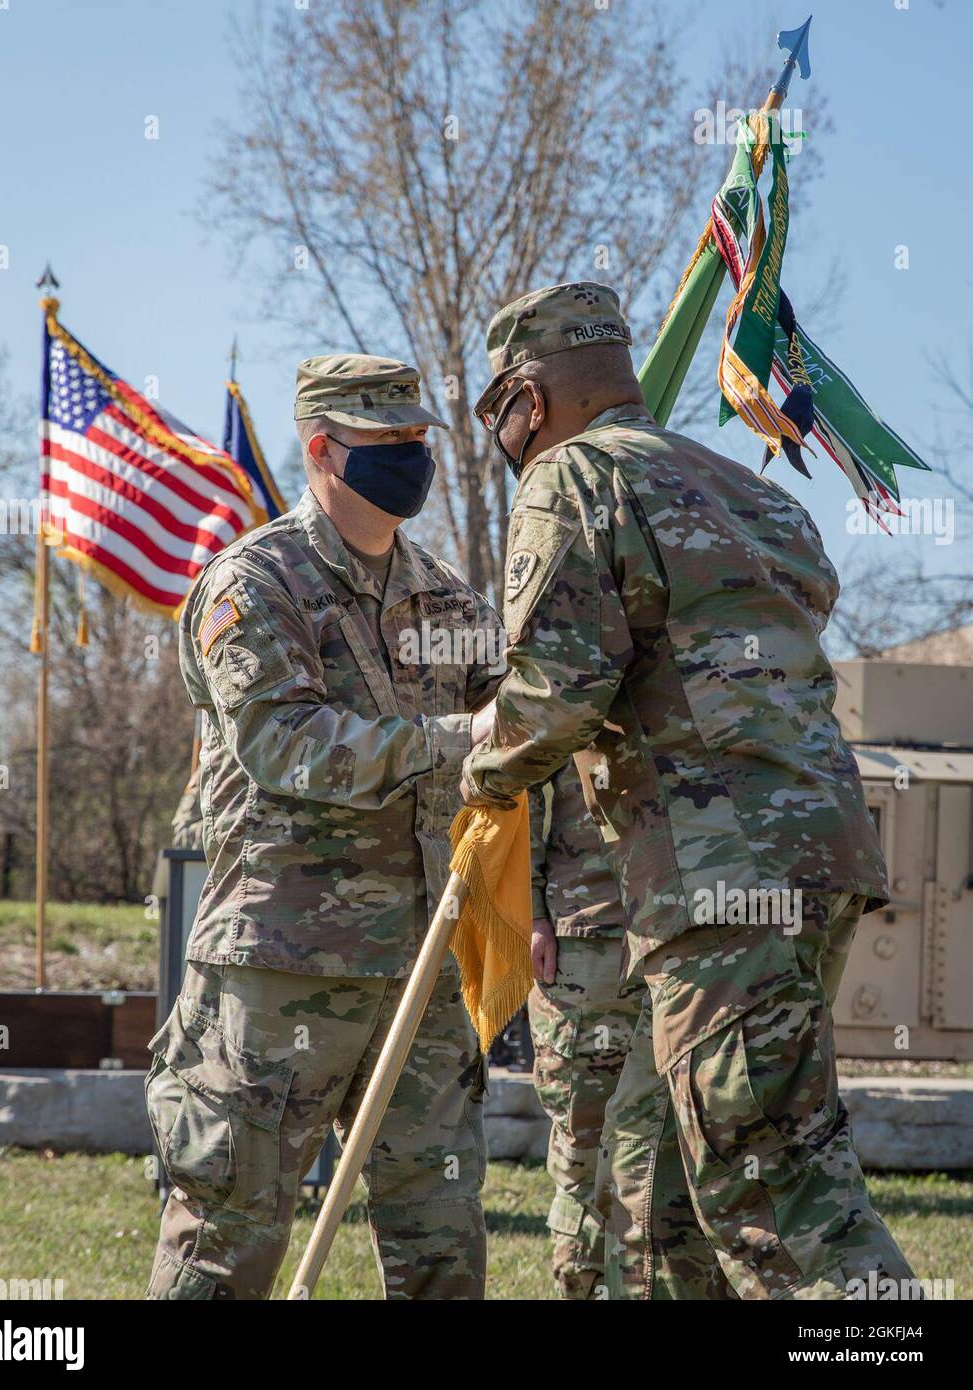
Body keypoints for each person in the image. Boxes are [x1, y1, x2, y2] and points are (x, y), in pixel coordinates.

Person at [461, 282, 916, 1300]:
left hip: (716, 883)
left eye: (501, 411)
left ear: (529, 398)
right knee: (668, 1197)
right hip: (815, 857)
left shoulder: (570, 479)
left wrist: (477, 759)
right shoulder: (745, 488)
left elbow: (554, 697)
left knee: (777, 1198)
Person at [146, 355, 503, 1300]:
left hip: (423, 966)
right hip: (279, 965)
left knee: (443, 1237)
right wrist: (460, 737)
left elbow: (521, 732)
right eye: (387, 443)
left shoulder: (452, 601)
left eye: (417, 441)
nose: (410, 459)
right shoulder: (253, 585)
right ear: (321, 449)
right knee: (230, 1232)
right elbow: (283, 743)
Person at [528, 762, 638, 1299]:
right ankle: (586, 1288)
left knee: (688, 1141)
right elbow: (515, 774)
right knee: (587, 1145)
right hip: (590, 936)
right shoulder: (570, 673)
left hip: (695, 936)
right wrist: (530, 911)